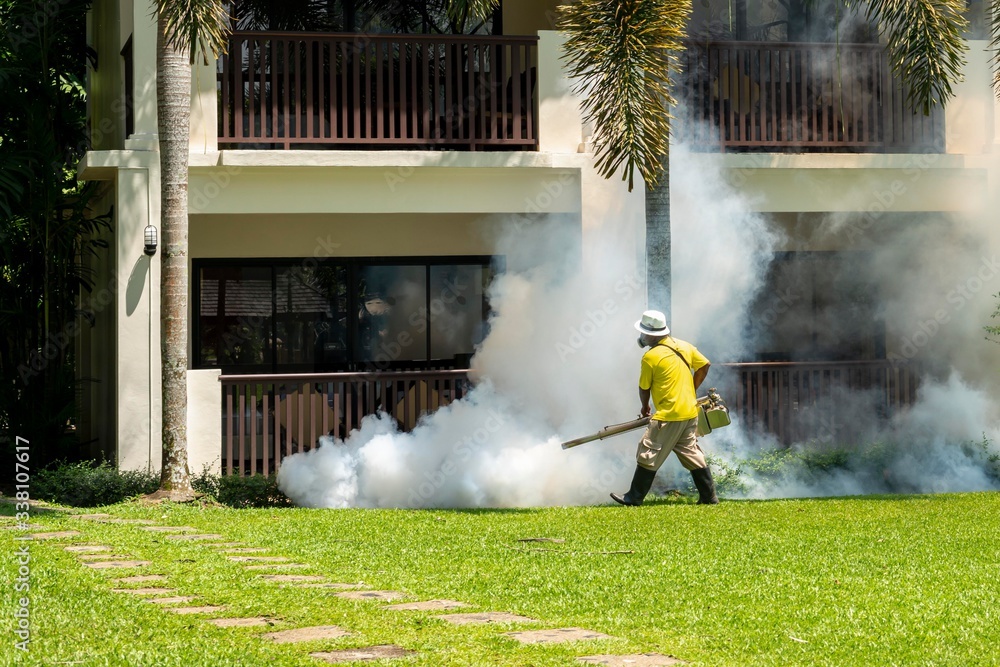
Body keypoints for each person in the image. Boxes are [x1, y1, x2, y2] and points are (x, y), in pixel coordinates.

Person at [611, 310, 719, 506]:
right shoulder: (684, 346)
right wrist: (691, 391)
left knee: (648, 451)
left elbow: (644, 388)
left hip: (669, 415)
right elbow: (705, 365)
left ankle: (633, 497)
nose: (642, 336)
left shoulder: (650, 357)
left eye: (644, 332)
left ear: (652, 334)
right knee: (691, 452)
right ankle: (709, 497)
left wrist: (645, 408)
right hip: (689, 411)